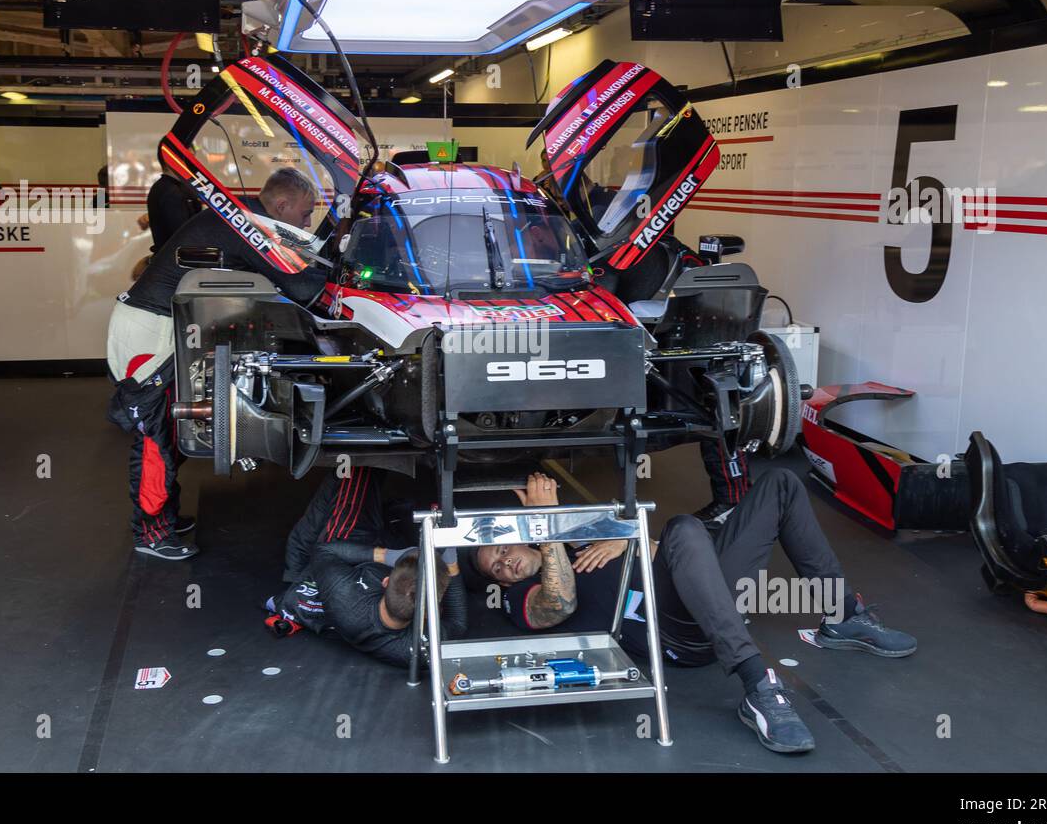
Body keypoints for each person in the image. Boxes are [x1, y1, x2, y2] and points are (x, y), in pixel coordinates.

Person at [472, 469, 917, 755]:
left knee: (780, 484)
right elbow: (560, 603)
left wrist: (636, 546)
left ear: (521, 538)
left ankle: (843, 617)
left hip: (710, 598)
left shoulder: (577, 542)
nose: (505, 560)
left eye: (505, 548)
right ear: (502, 582)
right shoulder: (522, 597)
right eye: (496, 565)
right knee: (684, 526)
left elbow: (678, 556)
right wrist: (549, 525)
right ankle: (759, 688)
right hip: (676, 634)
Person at [104, 166, 327, 560]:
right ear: (281, 204)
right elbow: (303, 287)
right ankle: (151, 534)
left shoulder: (239, 218)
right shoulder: (248, 226)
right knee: (155, 438)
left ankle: (163, 517)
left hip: (156, 328)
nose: (307, 222)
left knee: (169, 434)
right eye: (306, 213)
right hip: (147, 334)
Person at [264, 466, 466, 667]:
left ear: (385, 582)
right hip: (364, 565)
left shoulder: (346, 596)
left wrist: (388, 556)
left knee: (358, 467)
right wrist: (451, 558)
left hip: (325, 565)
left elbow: (324, 551)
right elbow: (458, 624)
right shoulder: (411, 649)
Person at [144, 160, 201, 253]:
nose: (192, 162)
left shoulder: (166, 186)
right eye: (187, 157)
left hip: (169, 256)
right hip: (176, 258)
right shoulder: (172, 191)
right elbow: (182, 234)